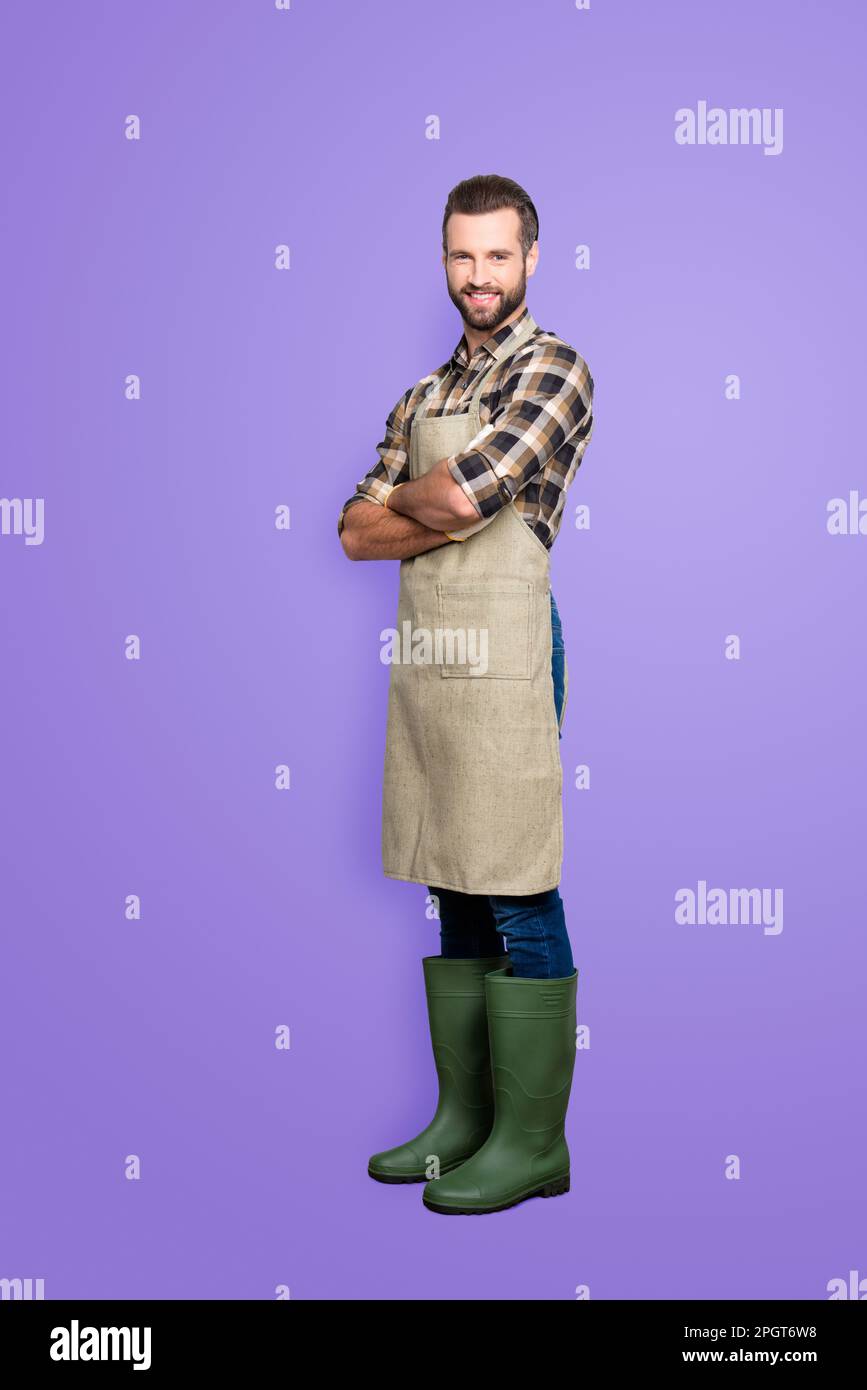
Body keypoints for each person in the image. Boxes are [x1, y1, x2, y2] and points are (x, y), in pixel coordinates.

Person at [338, 174, 595, 1215]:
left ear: (531, 258)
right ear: (443, 261)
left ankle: (534, 1144)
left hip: (507, 649)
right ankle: (465, 1124)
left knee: (518, 883)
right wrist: (428, 509)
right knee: (455, 879)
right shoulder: (421, 395)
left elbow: (447, 495)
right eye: (461, 257)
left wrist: (418, 503)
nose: (477, 276)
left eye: (497, 256)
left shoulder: (558, 371)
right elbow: (354, 533)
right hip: (432, 663)